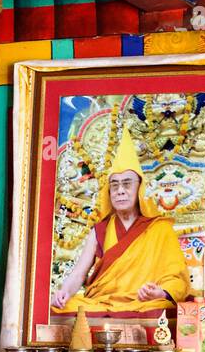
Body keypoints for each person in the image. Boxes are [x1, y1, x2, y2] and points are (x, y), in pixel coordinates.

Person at [50, 127, 190, 314]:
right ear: (108, 193)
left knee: (161, 307)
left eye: (127, 183)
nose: (120, 191)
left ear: (140, 189)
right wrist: (63, 293)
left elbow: (177, 278)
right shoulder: (100, 229)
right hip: (102, 302)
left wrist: (161, 293)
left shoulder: (160, 229)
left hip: (143, 302)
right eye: (114, 185)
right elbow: (78, 273)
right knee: (61, 307)